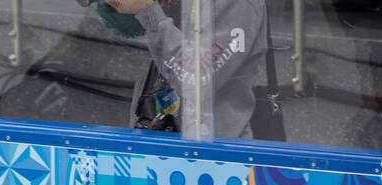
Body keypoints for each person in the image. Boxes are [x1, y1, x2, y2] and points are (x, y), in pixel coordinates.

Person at [105, 0, 269, 138]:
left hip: (211, 156)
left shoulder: (238, 4)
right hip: (155, 139)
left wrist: (149, 13)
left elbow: (197, 81)